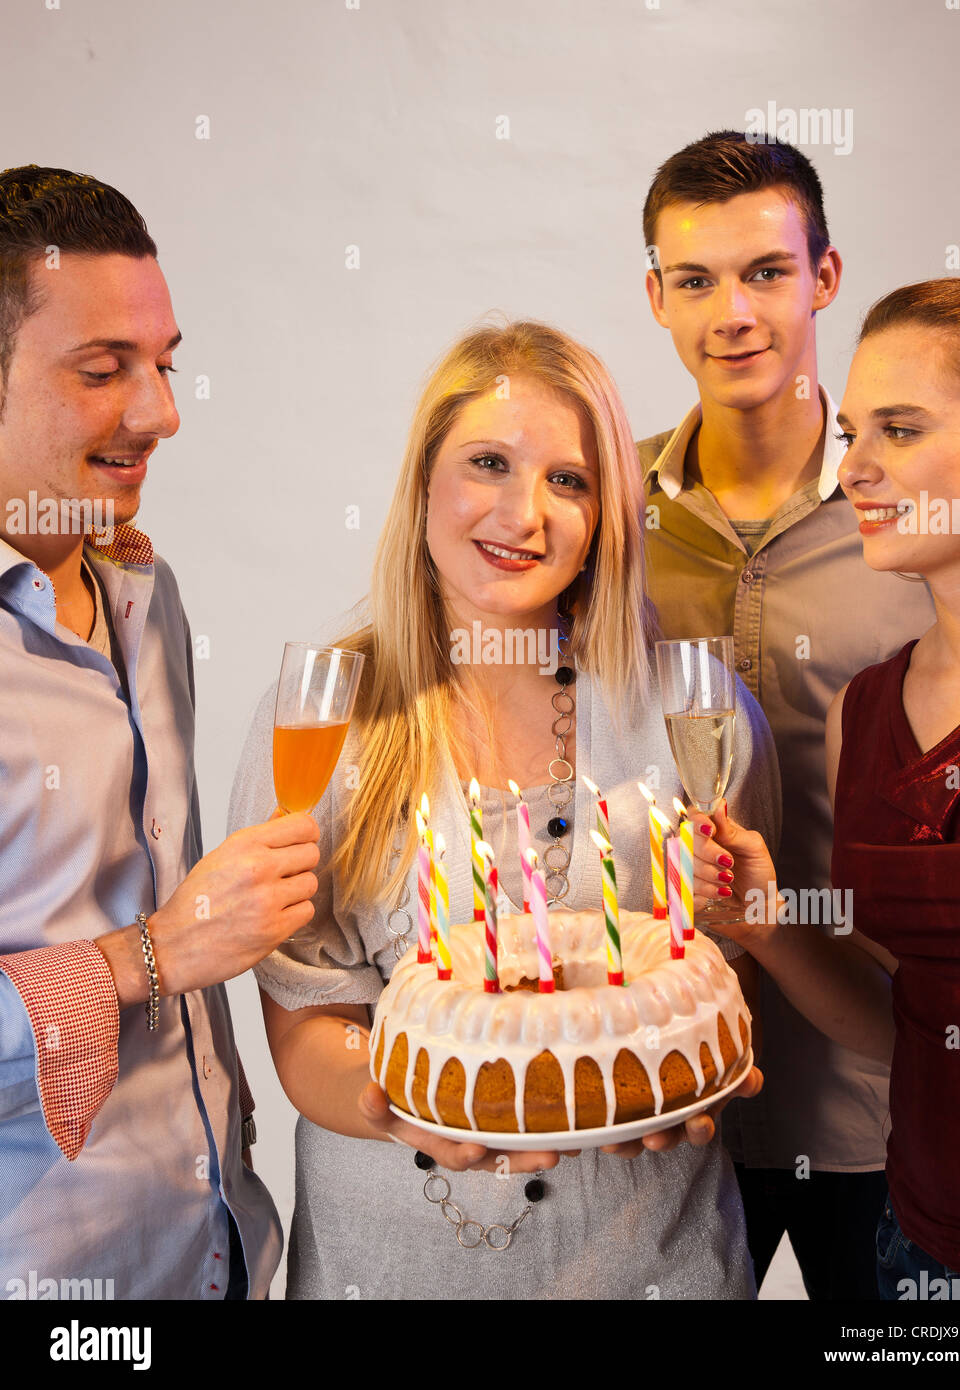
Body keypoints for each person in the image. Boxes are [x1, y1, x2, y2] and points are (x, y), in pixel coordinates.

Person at [229, 319, 782, 1300]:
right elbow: (305, 1021)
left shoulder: (691, 711)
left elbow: (712, 989)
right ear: (424, 484)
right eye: (488, 462)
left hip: (652, 1261)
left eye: (567, 479)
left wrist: (739, 942)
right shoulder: (324, 716)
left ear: (608, 507)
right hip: (394, 1266)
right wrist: (399, 1099)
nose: (524, 514)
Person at [0, 166, 321, 1299]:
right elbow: (171, 943)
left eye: (163, 363)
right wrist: (158, 954)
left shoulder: (144, 590)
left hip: (218, 1245)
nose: (162, 413)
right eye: (103, 371)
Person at [636, 130, 936, 1299]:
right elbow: (437, 594)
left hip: (886, 1084)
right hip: (678, 1087)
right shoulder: (602, 516)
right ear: (653, 295)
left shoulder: (915, 512)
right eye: (696, 280)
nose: (733, 313)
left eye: (765, 272)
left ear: (823, 277)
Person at [687, 277, 960, 1295]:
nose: (854, 466)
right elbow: (896, 1021)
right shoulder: (864, 708)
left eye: (901, 430)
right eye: (855, 430)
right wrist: (767, 920)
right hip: (912, 1245)